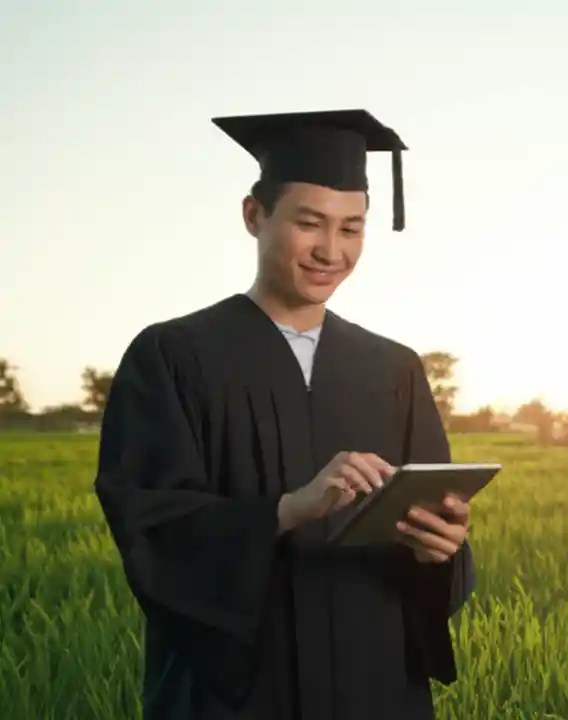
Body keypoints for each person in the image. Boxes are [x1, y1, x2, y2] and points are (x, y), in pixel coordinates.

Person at [93, 109, 476, 720]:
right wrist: (289, 509)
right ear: (254, 215)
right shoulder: (172, 356)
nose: (331, 250)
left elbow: (430, 529)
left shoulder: (395, 370)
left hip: (374, 681)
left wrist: (442, 552)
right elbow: (151, 525)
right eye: (309, 223)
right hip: (237, 693)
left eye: (352, 228)